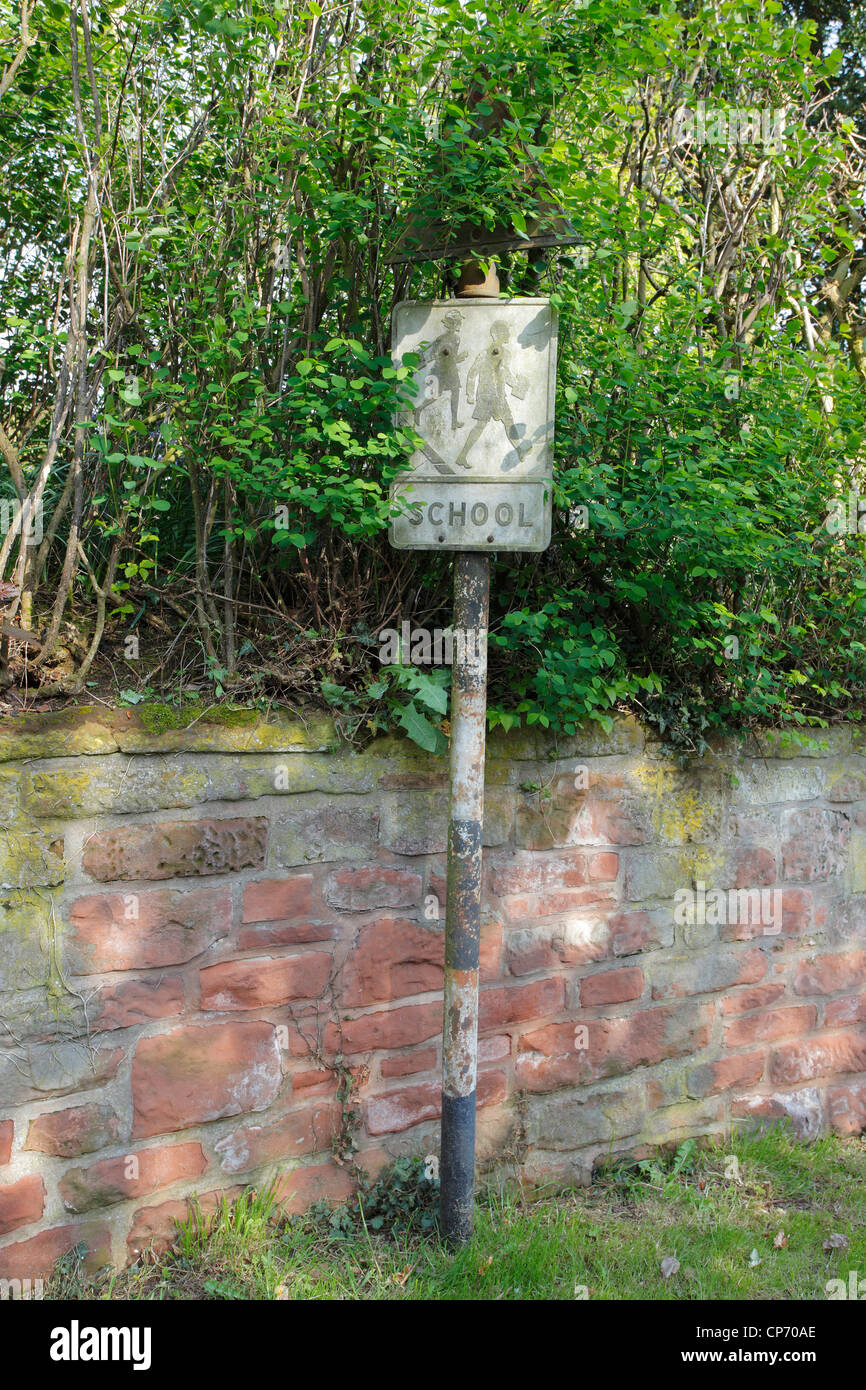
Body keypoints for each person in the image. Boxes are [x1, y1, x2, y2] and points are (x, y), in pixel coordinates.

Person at [454, 321, 530, 470]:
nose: (508, 335)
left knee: (508, 422)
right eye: (505, 332)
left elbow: (505, 372)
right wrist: (470, 394)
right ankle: (462, 455)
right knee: (480, 426)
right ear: (498, 334)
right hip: (486, 396)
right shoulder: (484, 354)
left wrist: (516, 384)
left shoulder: (506, 354)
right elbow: (472, 373)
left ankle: (520, 450)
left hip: (500, 396)